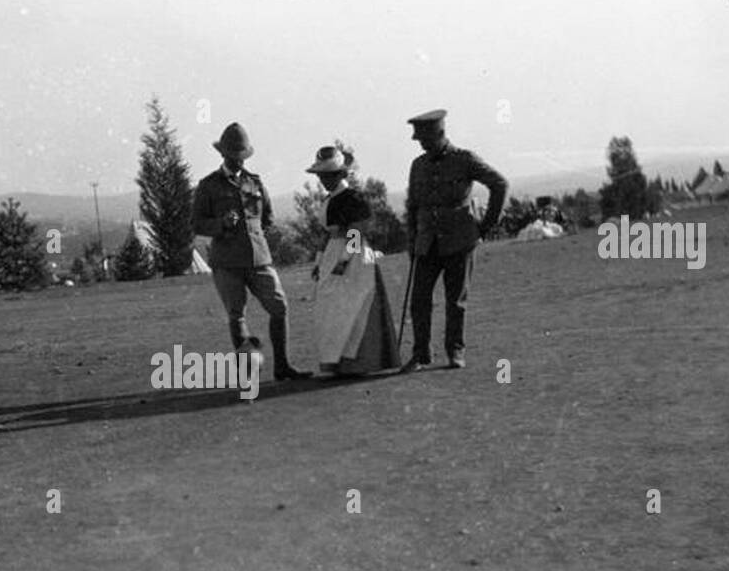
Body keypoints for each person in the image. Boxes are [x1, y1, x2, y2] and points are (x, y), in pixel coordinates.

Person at [192, 122, 311, 380]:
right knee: (237, 316)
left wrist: (257, 238)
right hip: (226, 262)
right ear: (223, 155)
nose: (238, 162)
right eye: (233, 157)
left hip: (259, 259)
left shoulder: (254, 183)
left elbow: (267, 217)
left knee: (279, 307)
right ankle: (249, 374)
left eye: (241, 157)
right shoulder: (208, 186)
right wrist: (220, 225)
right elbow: (196, 223)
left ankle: (282, 366)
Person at [401, 109, 507, 372]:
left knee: (455, 301)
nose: (423, 145)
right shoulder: (418, 165)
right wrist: (412, 240)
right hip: (427, 243)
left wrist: (485, 226)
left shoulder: (465, 159)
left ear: (440, 133)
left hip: (460, 240)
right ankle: (421, 353)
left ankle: (455, 351)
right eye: (419, 141)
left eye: (426, 140)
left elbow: (500, 184)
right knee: (419, 300)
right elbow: (413, 205)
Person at [306, 145, 400, 375]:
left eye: (329, 174)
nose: (324, 179)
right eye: (322, 175)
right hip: (332, 252)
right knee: (332, 308)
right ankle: (336, 361)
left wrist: (345, 259)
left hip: (354, 257)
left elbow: (356, 231)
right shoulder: (329, 200)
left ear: (341, 174)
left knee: (355, 304)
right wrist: (319, 262)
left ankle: (359, 362)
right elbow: (325, 234)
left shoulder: (353, 198)